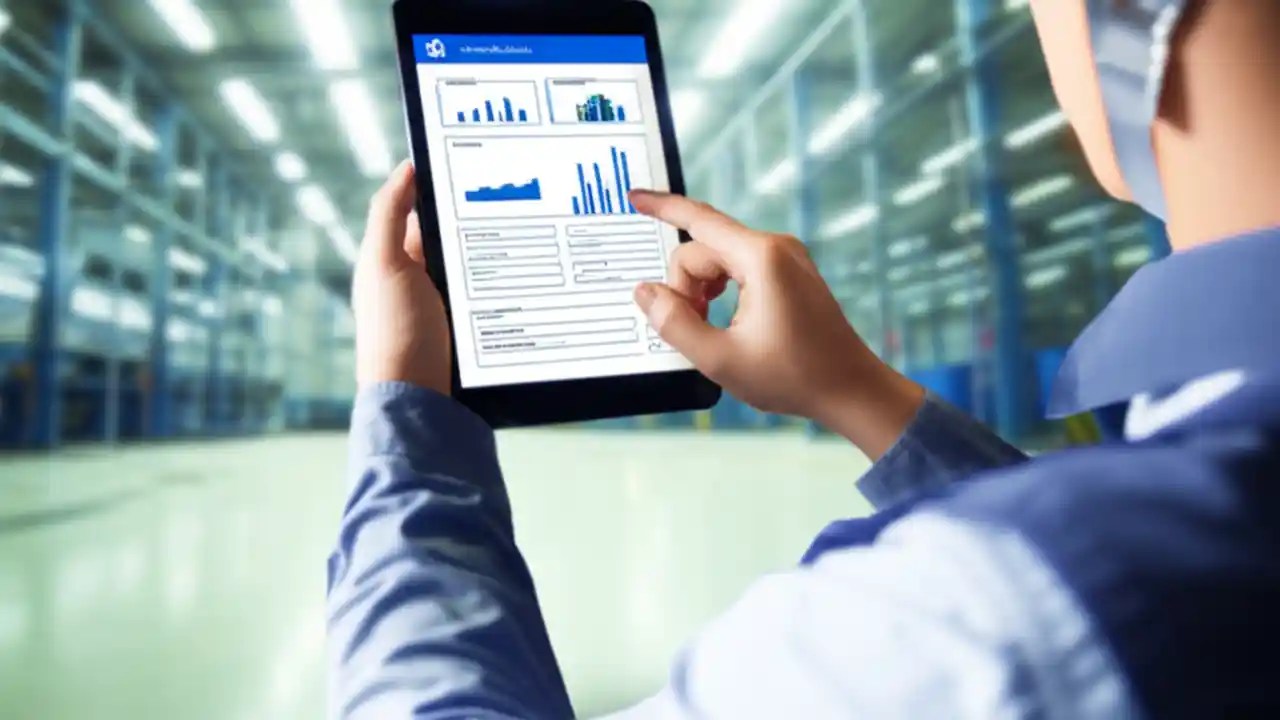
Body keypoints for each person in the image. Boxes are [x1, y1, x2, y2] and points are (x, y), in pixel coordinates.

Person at [328, 1, 1280, 717]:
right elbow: (1150, 543)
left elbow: (1060, 586)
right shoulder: (1205, 512)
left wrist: (407, 412)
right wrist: (859, 392)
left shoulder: (966, 630)